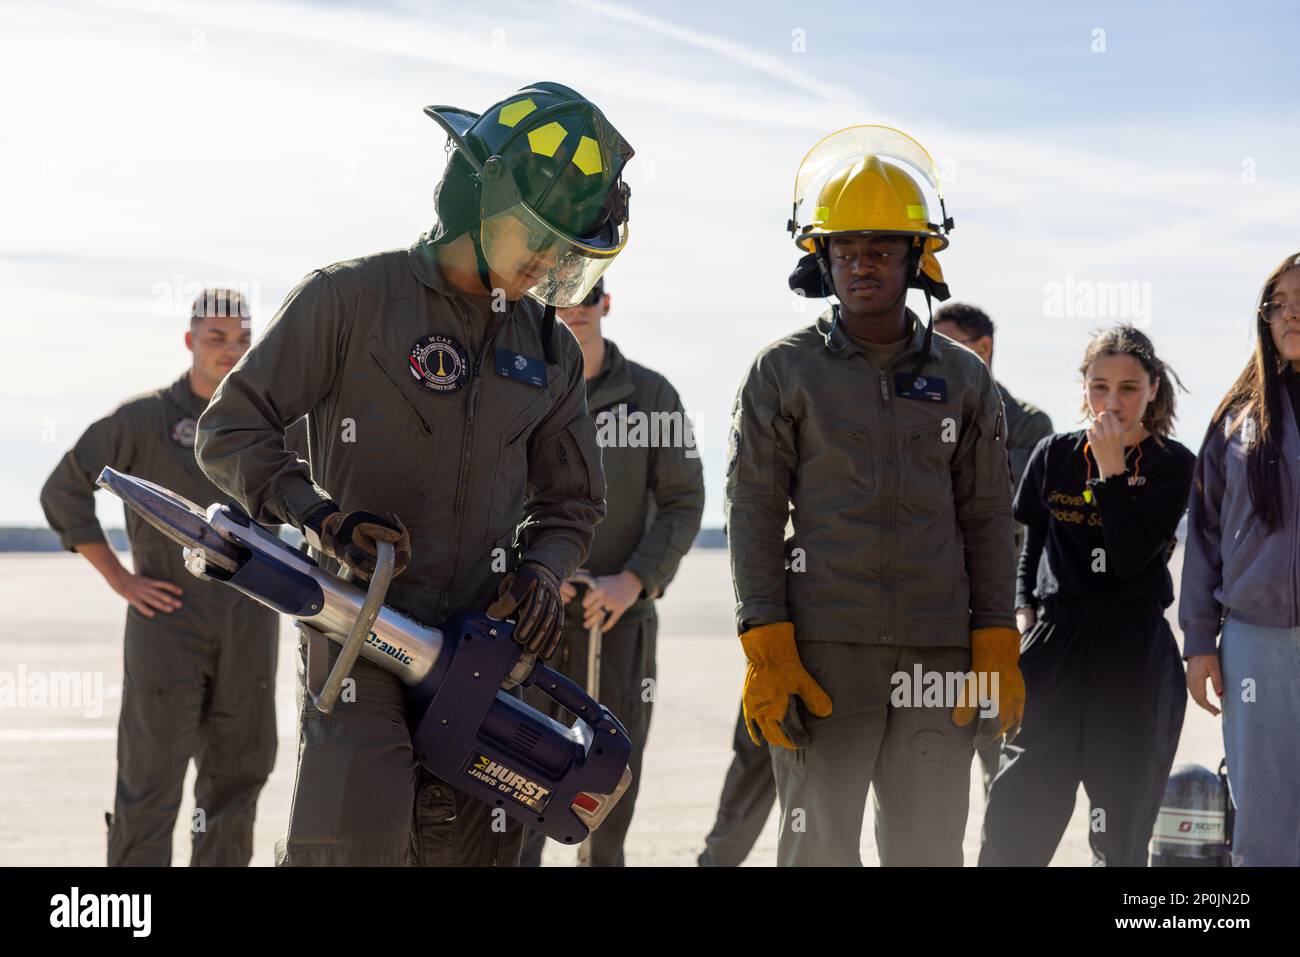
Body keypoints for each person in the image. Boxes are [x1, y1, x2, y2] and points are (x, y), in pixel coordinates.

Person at [194, 82, 633, 866]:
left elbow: (573, 501)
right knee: (352, 840)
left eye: (563, 248)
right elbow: (231, 427)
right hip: (361, 631)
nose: (546, 262)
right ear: (478, 194)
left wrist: (541, 570)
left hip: (490, 652)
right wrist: (320, 515)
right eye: (535, 235)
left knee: (483, 849)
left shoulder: (550, 349)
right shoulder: (351, 300)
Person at [726, 125, 1023, 866]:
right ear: (821, 257)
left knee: (928, 848)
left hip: (938, 650)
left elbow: (988, 516)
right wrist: (766, 644)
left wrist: (995, 636)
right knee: (819, 850)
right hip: (822, 654)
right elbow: (754, 512)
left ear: (918, 257)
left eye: (883, 248)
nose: (863, 263)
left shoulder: (963, 378)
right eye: (847, 248)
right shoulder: (782, 373)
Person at [40, 289, 283, 866]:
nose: (231, 350)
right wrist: (120, 579)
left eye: (243, 339)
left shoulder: (267, 425)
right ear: (189, 341)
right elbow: (64, 490)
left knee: (237, 779)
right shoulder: (141, 420)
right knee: (149, 782)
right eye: (217, 338)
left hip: (250, 621)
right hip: (166, 622)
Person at [979, 324, 1193, 867]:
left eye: (1128, 387)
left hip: (1133, 651)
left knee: (1119, 830)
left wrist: (1113, 471)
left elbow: (1127, 559)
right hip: (1055, 643)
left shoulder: (1174, 465)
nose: (1112, 401)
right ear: (1085, 389)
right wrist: (1024, 607)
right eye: (1100, 386)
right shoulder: (1054, 454)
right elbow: (1031, 545)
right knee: (1016, 814)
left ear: (1153, 390)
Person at [519, 278, 705, 866]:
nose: (574, 311)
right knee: (515, 789)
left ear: (606, 302)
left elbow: (684, 500)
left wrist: (634, 581)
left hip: (621, 625)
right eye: (561, 298)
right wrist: (540, 573)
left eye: (586, 296)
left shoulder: (653, 396)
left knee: (607, 802)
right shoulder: (519, 386)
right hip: (528, 624)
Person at [1181, 252, 1300, 867]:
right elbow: (1202, 535)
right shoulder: (1237, 418)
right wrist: (1200, 640)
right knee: (1265, 814)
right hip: (1256, 641)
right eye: (1280, 303)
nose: (1292, 314)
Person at [934, 302, 1054, 794]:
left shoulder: (1028, 424)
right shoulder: (921, 414)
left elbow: (1005, 498)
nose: (932, 356)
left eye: (946, 344)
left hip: (997, 611)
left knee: (1000, 758)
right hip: (935, 607)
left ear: (982, 349)